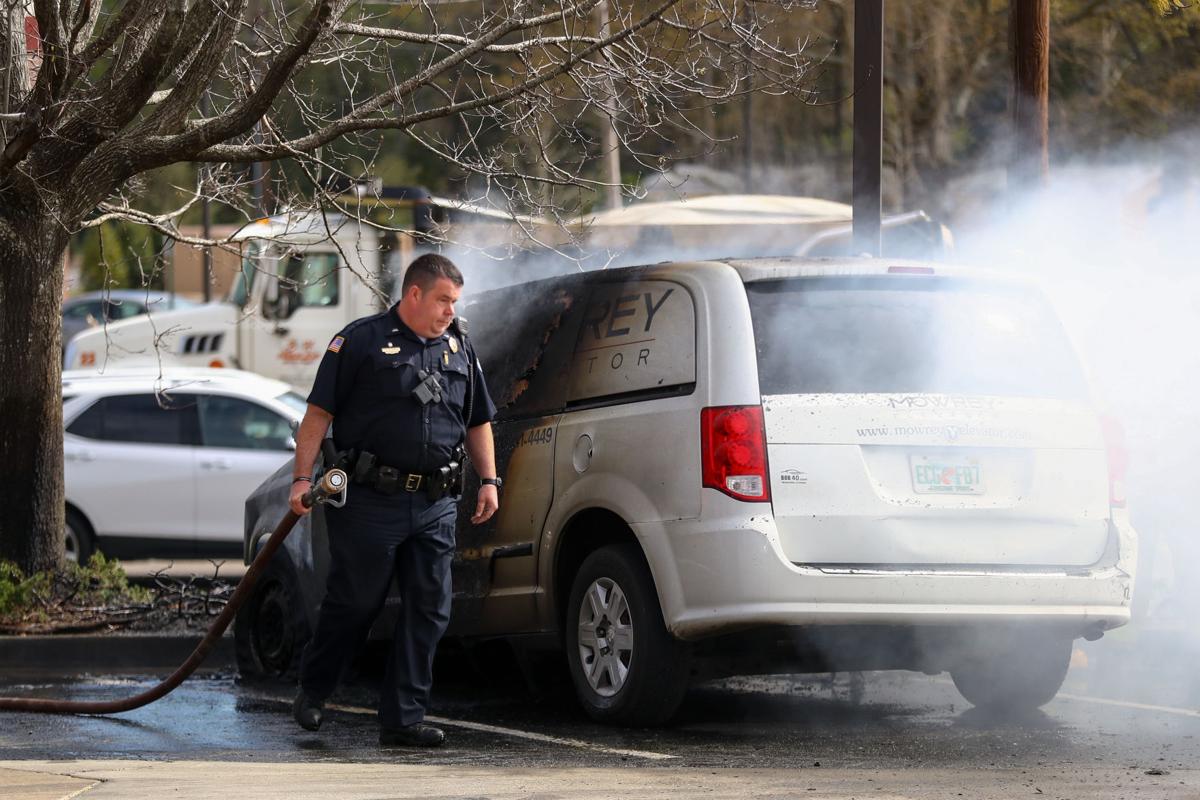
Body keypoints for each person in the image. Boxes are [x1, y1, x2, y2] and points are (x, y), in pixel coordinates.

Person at [287, 253, 500, 748]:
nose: (451, 310)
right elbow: (318, 415)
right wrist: (302, 479)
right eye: (444, 300)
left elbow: (477, 421)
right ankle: (314, 689)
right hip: (370, 501)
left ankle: (403, 719)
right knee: (356, 603)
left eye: (455, 302)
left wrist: (490, 480)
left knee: (429, 608)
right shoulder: (359, 341)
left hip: (434, 504)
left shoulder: (460, 349)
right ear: (414, 295)